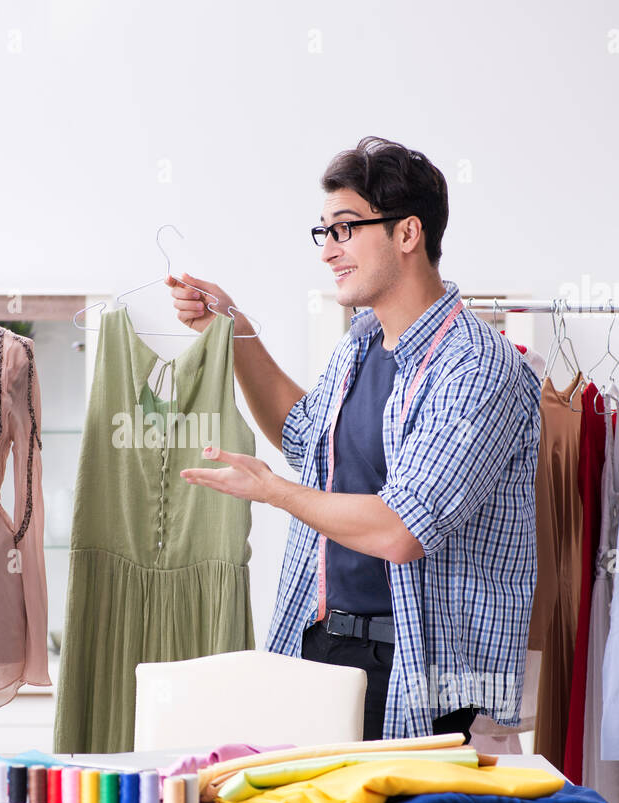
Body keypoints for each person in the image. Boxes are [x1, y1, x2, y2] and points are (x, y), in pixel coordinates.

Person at [174, 137, 541, 742]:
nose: (329, 252)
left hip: (422, 676)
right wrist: (232, 329)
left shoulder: (478, 367)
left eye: (344, 230)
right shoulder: (360, 345)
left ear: (407, 234)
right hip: (320, 647)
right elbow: (301, 434)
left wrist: (275, 493)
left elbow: (402, 531)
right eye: (324, 234)